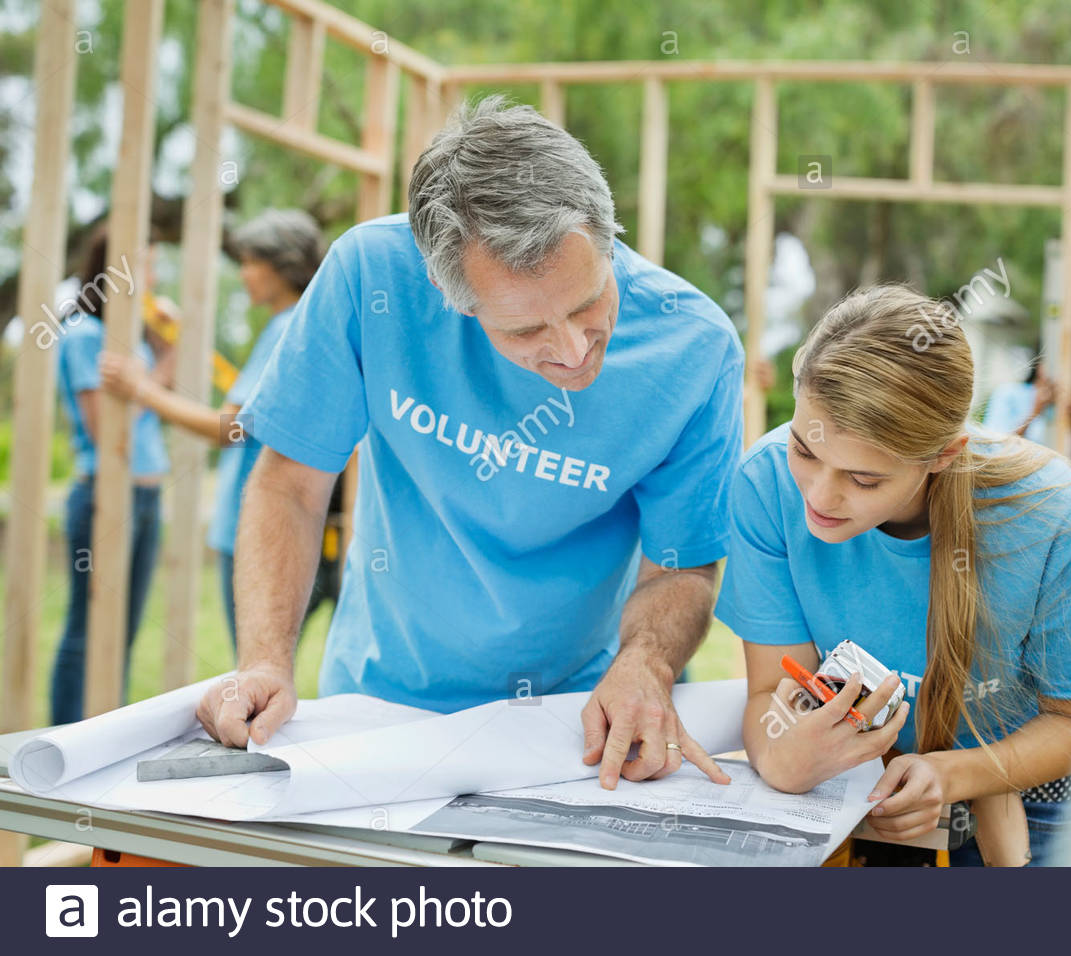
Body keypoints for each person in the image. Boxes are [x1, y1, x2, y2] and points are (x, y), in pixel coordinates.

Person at [195, 96, 745, 791]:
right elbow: (292, 485)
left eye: (587, 303)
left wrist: (645, 664)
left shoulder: (695, 348)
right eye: (524, 332)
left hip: (573, 719)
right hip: (379, 702)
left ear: (607, 239)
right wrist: (266, 661)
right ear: (444, 291)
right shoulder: (371, 276)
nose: (574, 351)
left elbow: (681, 568)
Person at [716, 285, 1071, 865]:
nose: (818, 496)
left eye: (864, 479)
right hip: (862, 792)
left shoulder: (1059, 517)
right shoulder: (764, 484)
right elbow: (771, 693)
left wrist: (953, 775)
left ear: (942, 454)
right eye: (806, 450)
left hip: (1031, 801)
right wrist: (778, 750)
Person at [100, 210, 329, 649]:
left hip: (254, 522)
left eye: (250, 263)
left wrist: (140, 390)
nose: (242, 274)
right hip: (280, 519)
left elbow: (231, 428)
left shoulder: (287, 327)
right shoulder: (304, 323)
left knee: (254, 669)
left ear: (281, 267)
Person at [51, 228, 172, 724]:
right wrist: (155, 375)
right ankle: (61, 739)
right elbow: (110, 430)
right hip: (102, 496)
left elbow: (145, 400)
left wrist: (163, 355)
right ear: (115, 271)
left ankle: (100, 737)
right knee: (87, 631)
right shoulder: (84, 335)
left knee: (122, 631)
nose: (154, 277)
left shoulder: (131, 339)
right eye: (146, 265)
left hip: (146, 496)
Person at [983, 338, 1071, 481]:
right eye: (1056, 363)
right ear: (1039, 363)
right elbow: (992, 455)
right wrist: (1034, 413)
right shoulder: (1008, 395)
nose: (1062, 373)